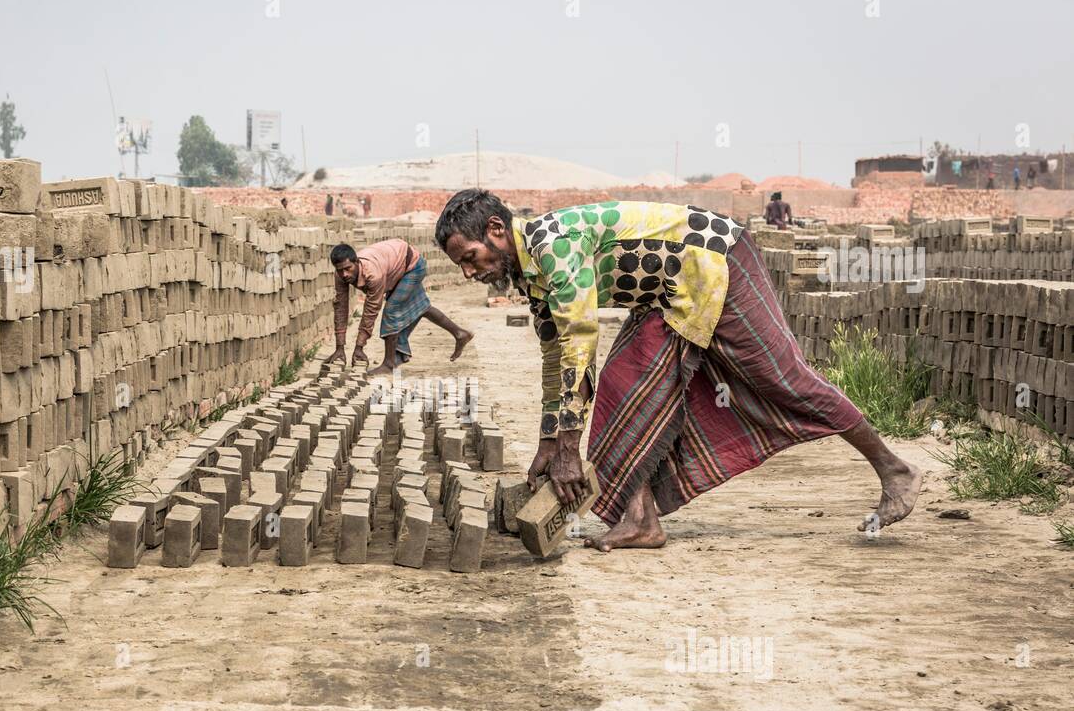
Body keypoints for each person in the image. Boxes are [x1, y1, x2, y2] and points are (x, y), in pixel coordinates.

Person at [434, 189, 922, 551]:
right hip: (663, 295)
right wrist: (548, 443)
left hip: (713, 259)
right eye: (461, 266)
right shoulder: (529, 274)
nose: (469, 273)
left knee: (781, 377)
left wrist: (567, 450)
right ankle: (642, 520)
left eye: (471, 259)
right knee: (623, 388)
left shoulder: (554, 246)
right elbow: (554, 357)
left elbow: (580, 343)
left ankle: (894, 470)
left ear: (496, 229)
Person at [327, 239, 474, 376]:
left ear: (357, 262)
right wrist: (339, 347)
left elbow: (370, 311)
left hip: (412, 266)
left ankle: (389, 364)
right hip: (395, 263)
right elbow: (341, 308)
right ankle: (460, 333)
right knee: (422, 308)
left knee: (391, 311)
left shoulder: (373, 275)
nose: (344, 274)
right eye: (340, 270)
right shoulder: (340, 275)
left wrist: (359, 347)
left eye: (348, 268)